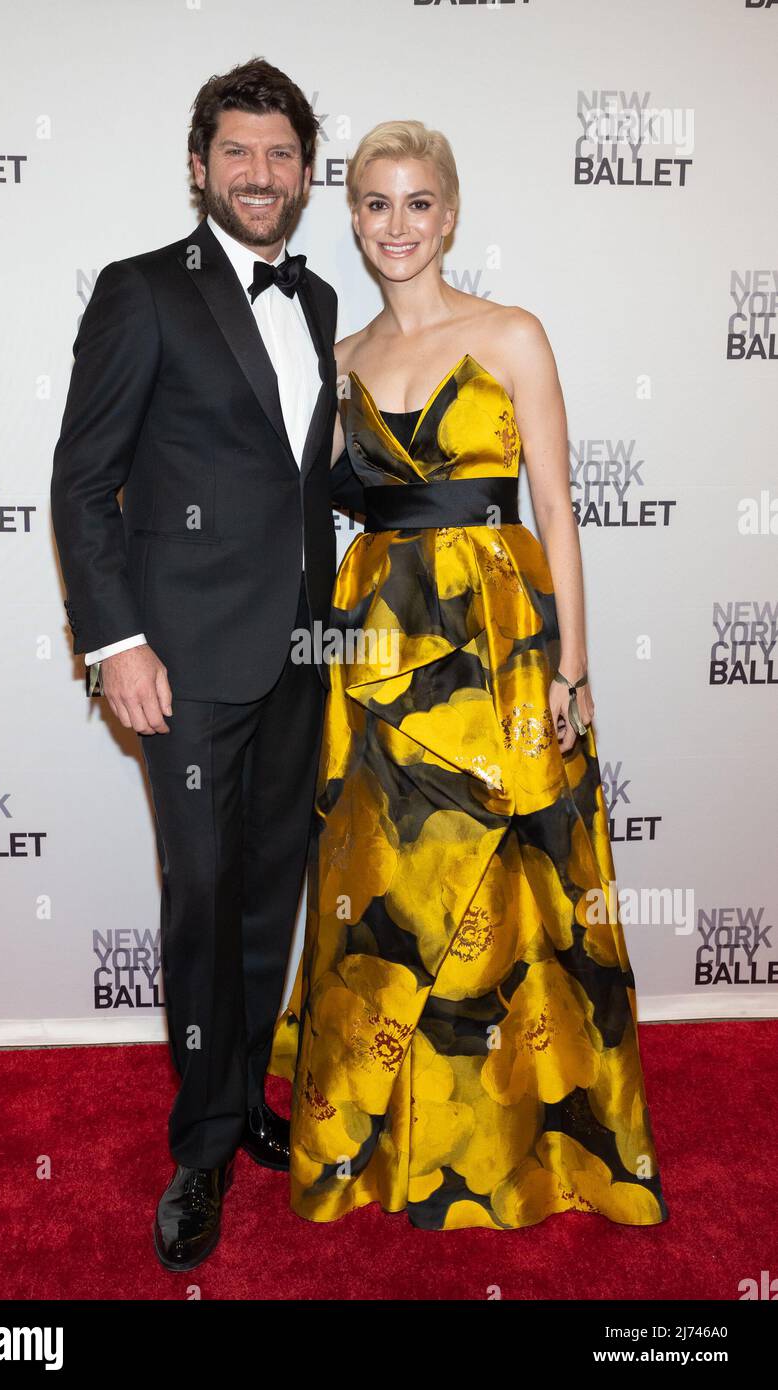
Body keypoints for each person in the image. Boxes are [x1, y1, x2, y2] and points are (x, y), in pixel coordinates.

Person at [270, 120, 670, 1232]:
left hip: (496, 642)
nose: (395, 225)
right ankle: (388, 1143)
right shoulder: (339, 359)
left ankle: (514, 1153)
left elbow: (554, 509)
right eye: (373, 204)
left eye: (416, 204)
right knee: (389, 892)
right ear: (351, 220)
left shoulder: (511, 336)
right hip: (376, 648)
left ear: (448, 216)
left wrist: (571, 668)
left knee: (511, 889)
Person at [50, 58, 357, 1270]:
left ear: (304, 172)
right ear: (198, 167)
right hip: (179, 663)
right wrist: (115, 644)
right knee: (198, 899)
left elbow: (302, 480)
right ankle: (197, 1144)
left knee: (265, 894)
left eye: (281, 155)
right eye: (238, 153)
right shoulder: (142, 293)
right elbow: (83, 483)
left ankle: (242, 1106)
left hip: (297, 650)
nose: (261, 174)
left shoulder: (321, 298)